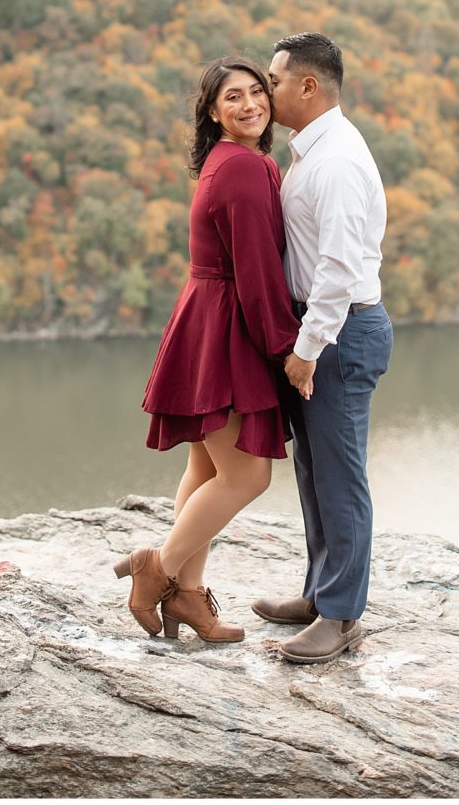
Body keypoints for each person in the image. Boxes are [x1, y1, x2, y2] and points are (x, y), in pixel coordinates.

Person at [114, 56, 301, 643]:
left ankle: (190, 601)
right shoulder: (244, 170)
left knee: (205, 466)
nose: (249, 105)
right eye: (232, 99)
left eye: (256, 92)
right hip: (226, 329)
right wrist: (287, 349)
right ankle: (157, 571)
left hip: (207, 322)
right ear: (213, 113)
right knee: (248, 478)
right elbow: (257, 273)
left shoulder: (235, 162)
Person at [253, 31, 393, 664]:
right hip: (324, 327)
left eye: (275, 80)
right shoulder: (315, 149)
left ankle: (341, 618)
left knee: (340, 479)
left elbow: (337, 267)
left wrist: (308, 348)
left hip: (338, 331)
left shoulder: (333, 161)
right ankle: (319, 594)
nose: (266, 89)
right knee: (313, 472)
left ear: (308, 86)